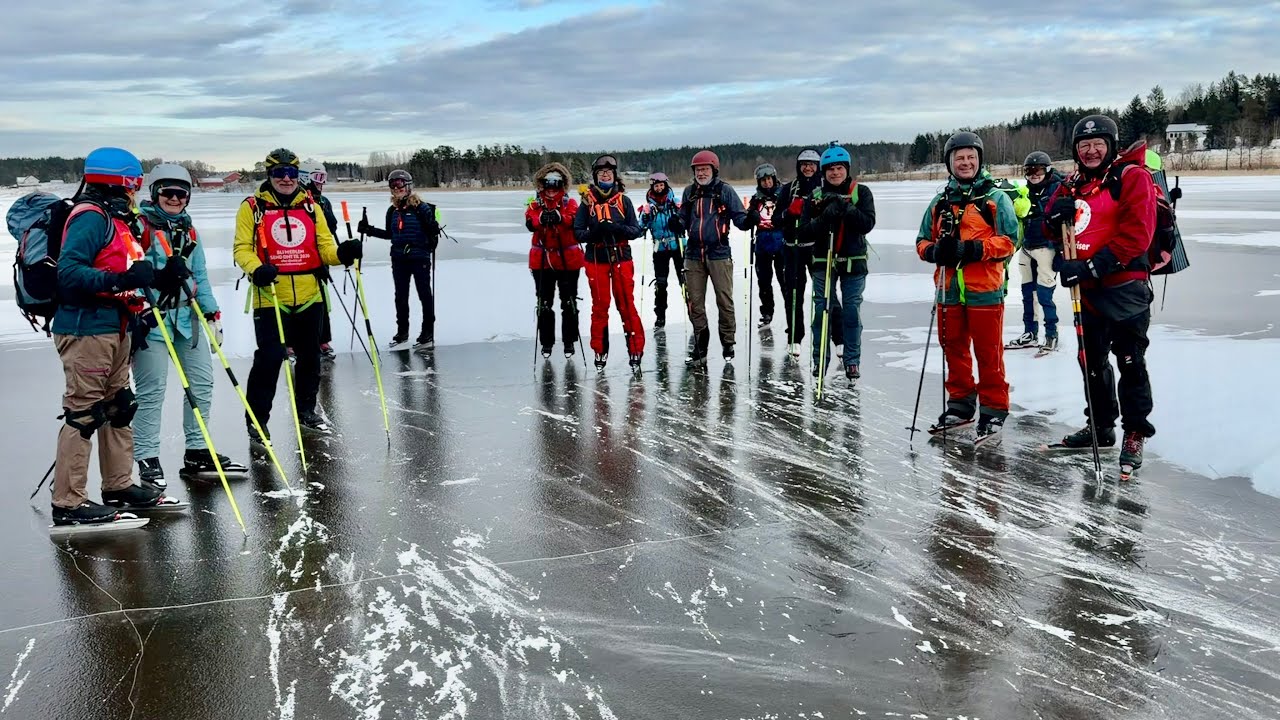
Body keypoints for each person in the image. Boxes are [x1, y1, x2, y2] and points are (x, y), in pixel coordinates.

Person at [50, 147, 167, 525]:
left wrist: (163, 276)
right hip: (86, 328)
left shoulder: (118, 217)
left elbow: (125, 272)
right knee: (84, 413)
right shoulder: (89, 216)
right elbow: (69, 272)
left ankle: (118, 485)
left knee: (119, 406)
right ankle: (68, 503)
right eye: (135, 182)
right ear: (123, 180)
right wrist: (119, 281)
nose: (137, 189)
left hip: (117, 326)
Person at [1044, 114, 1158, 474]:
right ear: (1076, 151)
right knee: (1091, 363)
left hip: (1125, 290)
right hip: (1087, 294)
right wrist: (1052, 220)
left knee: (1130, 362)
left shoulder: (1132, 178)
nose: (1091, 151)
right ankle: (1101, 425)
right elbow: (1053, 232)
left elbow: (1136, 236)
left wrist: (1091, 267)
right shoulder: (1072, 184)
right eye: (1084, 146)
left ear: (1111, 146)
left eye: (1098, 144)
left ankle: (1135, 431)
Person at [132, 163, 247, 487]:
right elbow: (129, 274)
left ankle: (197, 451)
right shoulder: (137, 227)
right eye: (167, 192)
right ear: (155, 193)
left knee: (201, 384)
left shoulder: (189, 230)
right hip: (152, 320)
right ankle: (147, 457)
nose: (174, 198)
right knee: (152, 391)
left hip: (188, 318)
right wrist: (157, 280)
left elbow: (199, 277)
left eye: (181, 193)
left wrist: (213, 314)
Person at [234, 148, 361, 439]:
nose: (286, 179)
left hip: (309, 294)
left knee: (310, 359)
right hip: (270, 294)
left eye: (291, 173)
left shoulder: (310, 207)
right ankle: (257, 419)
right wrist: (256, 268)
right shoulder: (252, 207)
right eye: (279, 173)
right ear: (269, 175)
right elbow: (242, 248)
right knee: (269, 358)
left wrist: (342, 254)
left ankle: (306, 411)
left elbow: (324, 248)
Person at [915, 132, 1018, 442]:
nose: (965, 162)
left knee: (988, 352)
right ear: (950, 163)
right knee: (954, 348)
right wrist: (935, 252)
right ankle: (960, 404)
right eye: (959, 157)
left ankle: (993, 409)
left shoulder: (995, 198)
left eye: (971, 157)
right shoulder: (940, 202)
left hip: (984, 288)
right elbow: (922, 241)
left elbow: (1010, 242)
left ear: (979, 160)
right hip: (948, 290)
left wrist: (971, 250)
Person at [798, 146, 877, 380]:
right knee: (822, 311)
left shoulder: (861, 193)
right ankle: (819, 359)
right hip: (824, 261)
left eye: (839, 168)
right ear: (824, 172)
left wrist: (845, 208)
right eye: (830, 169)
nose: (835, 173)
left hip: (854, 262)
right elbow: (804, 233)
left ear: (847, 169)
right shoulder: (814, 197)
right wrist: (825, 217)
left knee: (852, 311)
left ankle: (852, 360)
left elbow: (867, 223)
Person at [677, 149, 749, 364]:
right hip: (693, 253)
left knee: (724, 301)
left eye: (705, 169)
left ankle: (728, 341)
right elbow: (683, 218)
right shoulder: (689, 192)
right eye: (698, 170)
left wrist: (749, 220)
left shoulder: (725, 191)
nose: (701, 173)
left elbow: (740, 218)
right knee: (694, 302)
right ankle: (701, 343)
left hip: (719, 253)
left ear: (713, 170)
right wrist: (678, 223)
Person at [572, 155, 645, 370]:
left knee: (626, 304)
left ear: (614, 176)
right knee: (600, 306)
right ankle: (600, 350)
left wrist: (617, 228)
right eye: (601, 172)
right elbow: (577, 233)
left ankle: (635, 349)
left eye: (609, 172)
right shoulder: (587, 202)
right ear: (595, 176)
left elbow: (636, 230)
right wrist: (595, 232)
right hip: (596, 259)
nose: (605, 174)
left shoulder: (624, 201)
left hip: (621, 258)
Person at [358, 169, 440, 349]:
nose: (397, 188)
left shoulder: (421, 208)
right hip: (399, 259)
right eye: (393, 185)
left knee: (424, 295)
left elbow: (432, 232)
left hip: (419, 258)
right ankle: (402, 332)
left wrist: (432, 235)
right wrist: (368, 230)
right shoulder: (392, 210)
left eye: (400, 184)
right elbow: (390, 234)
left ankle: (427, 332)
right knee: (400, 297)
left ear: (408, 185)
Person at [1006, 151, 1064, 354]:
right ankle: (1030, 332)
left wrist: (1061, 251)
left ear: (1047, 170)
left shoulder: (1058, 189)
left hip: (1047, 248)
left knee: (1044, 294)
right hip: (1028, 247)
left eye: (1037, 170)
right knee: (1027, 293)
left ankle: (1051, 333)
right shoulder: (1024, 192)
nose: (1033, 174)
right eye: (1029, 171)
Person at [524, 162, 584, 358]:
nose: (551, 190)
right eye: (547, 185)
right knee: (544, 302)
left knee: (569, 302)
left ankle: (569, 341)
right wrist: (541, 219)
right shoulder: (534, 203)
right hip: (542, 260)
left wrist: (560, 217)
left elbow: (574, 218)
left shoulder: (570, 203)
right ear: (541, 185)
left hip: (568, 260)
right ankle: (546, 342)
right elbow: (530, 221)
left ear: (562, 185)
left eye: (556, 185)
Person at [777, 149, 823, 357]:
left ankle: (836, 336)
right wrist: (788, 213)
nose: (808, 168)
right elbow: (776, 219)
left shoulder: (823, 188)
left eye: (812, 164)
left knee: (824, 294)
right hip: (792, 248)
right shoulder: (787, 190)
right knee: (793, 295)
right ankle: (795, 337)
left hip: (817, 248)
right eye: (804, 164)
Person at [300, 159, 340, 361]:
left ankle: (323, 340)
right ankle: (292, 343)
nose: (321, 183)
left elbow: (330, 229)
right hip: (300, 259)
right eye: (318, 178)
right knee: (298, 301)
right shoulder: (297, 200)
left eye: (323, 178)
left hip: (321, 258)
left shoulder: (323, 202)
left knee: (321, 301)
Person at [638, 172, 684, 330]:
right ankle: (660, 316)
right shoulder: (649, 207)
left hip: (678, 246)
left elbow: (687, 220)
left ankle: (693, 313)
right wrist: (645, 217)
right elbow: (640, 229)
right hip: (660, 247)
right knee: (661, 284)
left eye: (661, 185)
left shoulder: (675, 203)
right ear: (652, 187)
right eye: (656, 186)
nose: (659, 188)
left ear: (666, 186)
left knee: (685, 282)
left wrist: (679, 222)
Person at [743, 163, 786, 330]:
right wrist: (750, 217)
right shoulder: (756, 199)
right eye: (763, 181)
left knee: (785, 281)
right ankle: (767, 312)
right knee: (764, 281)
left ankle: (790, 310)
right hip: (762, 243)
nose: (767, 183)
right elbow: (747, 221)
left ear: (774, 179)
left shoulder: (783, 196)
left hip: (781, 242)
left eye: (769, 179)